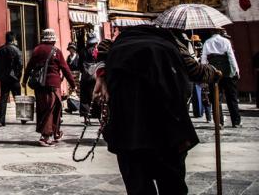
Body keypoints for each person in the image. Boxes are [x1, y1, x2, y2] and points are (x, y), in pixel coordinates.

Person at [94, 24, 220, 195]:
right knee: (172, 185)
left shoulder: (118, 44)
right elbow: (195, 71)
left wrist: (101, 76)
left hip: (128, 131)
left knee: (138, 187)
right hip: (167, 128)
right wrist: (215, 72)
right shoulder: (172, 43)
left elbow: (102, 48)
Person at [23, 28, 76, 146]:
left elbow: (29, 66)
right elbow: (65, 69)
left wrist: (24, 80)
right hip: (52, 85)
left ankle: (56, 132)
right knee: (51, 109)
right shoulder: (56, 51)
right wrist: (73, 84)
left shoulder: (37, 50)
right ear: (53, 40)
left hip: (39, 85)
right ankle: (45, 136)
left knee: (47, 108)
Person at [201, 29, 241, 128]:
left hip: (214, 73)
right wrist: (235, 71)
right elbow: (231, 57)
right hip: (227, 73)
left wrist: (205, 74)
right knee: (232, 97)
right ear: (220, 32)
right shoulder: (225, 41)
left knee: (215, 99)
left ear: (211, 32)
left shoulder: (207, 42)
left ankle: (218, 122)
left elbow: (204, 59)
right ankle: (236, 122)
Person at [0, 31, 23, 127]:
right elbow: (20, 64)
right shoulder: (16, 50)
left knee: (3, 98)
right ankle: (23, 118)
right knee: (18, 98)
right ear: (13, 39)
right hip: (14, 78)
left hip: (4, 78)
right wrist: (18, 76)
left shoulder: (0, 49)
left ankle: (1, 120)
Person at [79, 34, 99, 121]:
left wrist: (84, 72)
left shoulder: (82, 51)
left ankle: (85, 117)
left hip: (85, 76)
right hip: (95, 76)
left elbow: (79, 65)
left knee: (84, 96)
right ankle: (98, 116)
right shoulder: (96, 51)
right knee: (95, 95)